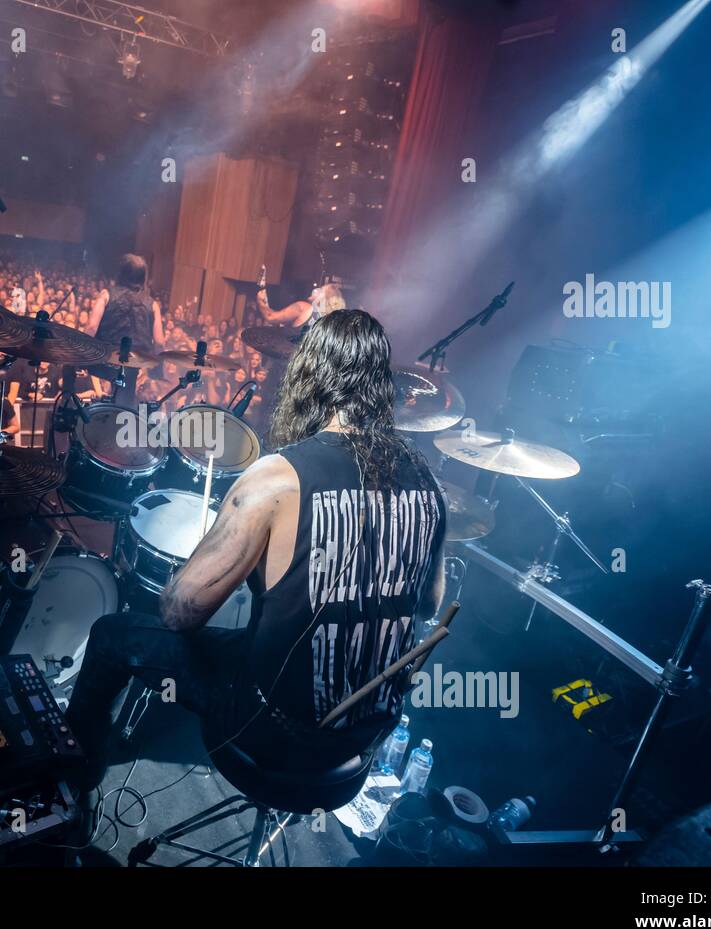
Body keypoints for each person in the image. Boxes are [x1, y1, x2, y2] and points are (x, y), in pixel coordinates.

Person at [64, 309, 447, 840]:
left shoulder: (277, 477)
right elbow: (429, 604)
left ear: (307, 377)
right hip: (363, 741)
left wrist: (218, 558)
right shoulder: (425, 479)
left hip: (271, 732)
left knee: (112, 636)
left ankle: (73, 792)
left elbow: (181, 613)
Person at [88, 253, 165, 407]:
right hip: (133, 365)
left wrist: (82, 355)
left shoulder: (106, 295)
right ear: (143, 277)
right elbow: (159, 342)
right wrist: (154, 368)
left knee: (70, 368)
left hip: (105, 360)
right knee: (125, 402)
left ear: (121, 273)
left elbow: (91, 327)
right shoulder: (152, 304)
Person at [256, 281, 346, 327]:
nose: (316, 290)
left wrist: (260, 300)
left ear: (324, 299)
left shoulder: (304, 308)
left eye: (321, 290)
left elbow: (270, 316)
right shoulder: (326, 322)